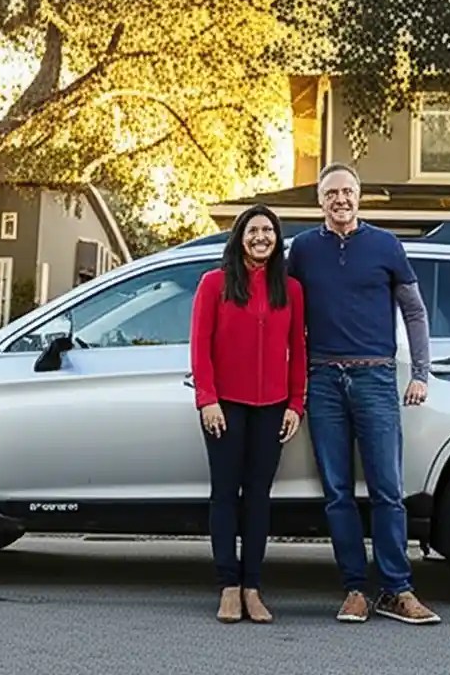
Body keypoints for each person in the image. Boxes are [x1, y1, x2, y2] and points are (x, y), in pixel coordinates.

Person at [286, 162, 441, 625]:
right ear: (320, 201)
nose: (341, 200)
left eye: (348, 191)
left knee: (387, 491)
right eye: (331, 193)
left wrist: (421, 372)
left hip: (375, 378)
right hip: (324, 381)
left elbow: (414, 312)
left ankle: (397, 589)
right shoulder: (304, 251)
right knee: (336, 493)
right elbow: (289, 316)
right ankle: (354, 588)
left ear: (360, 197)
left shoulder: (385, 245)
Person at [190, 203, 307, 624]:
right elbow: (199, 346)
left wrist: (296, 403)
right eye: (253, 230)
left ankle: (253, 587)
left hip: (272, 408)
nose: (261, 237)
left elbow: (299, 351)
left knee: (258, 497)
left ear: (277, 241)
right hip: (225, 406)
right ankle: (228, 587)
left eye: (269, 231)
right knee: (225, 494)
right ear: (240, 235)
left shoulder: (289, 289)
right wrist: (207, 399)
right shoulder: (214, 284)